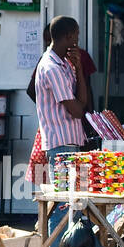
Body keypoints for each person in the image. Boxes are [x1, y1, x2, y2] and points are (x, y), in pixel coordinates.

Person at [33, 17, 91, 205]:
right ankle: (58, 237)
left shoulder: (65, 64)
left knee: (76, 205)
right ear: (69, 36)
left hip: (71, 143)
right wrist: (79, 106)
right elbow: (76, 110)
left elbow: (83, 101)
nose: (77, 40)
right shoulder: (51, 67)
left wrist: (79, 67)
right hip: (61, 146)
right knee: (64, 207)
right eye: (76, 35)